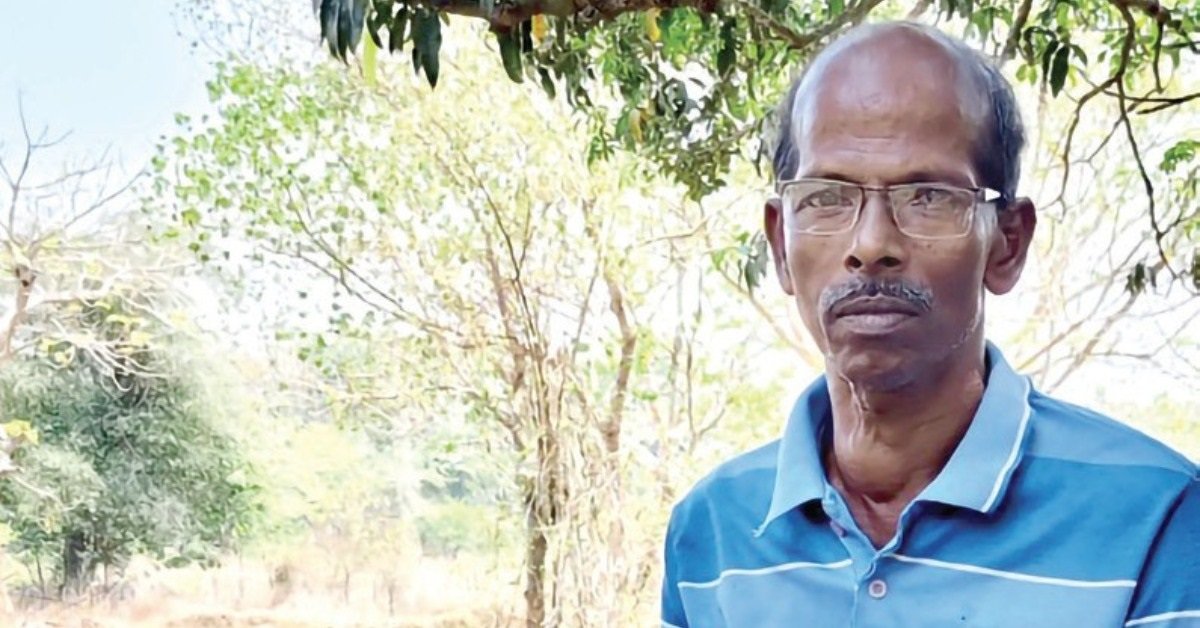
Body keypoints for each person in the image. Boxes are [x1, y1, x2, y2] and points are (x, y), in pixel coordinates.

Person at [661, 20, 1199, 628]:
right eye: (827, 196)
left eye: (928, 196)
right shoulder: (713, 536)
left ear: (1007, 244)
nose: (871, 245)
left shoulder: (1156, 519)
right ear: (781, 245)